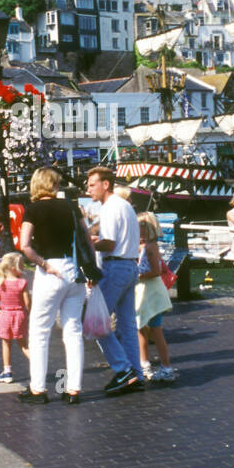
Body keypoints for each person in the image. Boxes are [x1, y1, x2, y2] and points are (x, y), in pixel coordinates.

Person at [19, 166, 90, 404]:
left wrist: (42, 263)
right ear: (55, 184)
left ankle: (38, 389)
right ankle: (73, 390)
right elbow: (87, 240)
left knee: (40, 332)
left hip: (50, 271)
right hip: (74, 271)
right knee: (73, 331)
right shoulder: (71, 206)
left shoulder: (34, 209)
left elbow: (25, 245)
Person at [85, 165, 143, 395]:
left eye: (92, 185)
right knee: (128, 325)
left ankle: (122, 369)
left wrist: (88, 242)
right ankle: (135, 374)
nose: (89, 190)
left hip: (114, 267)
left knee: (96, 323)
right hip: (130, 265)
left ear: (105, 184)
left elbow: (108, 244)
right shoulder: (126, 206)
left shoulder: (109, 208)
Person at [135, 212, 176, 383]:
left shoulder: (151, 247)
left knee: (155, 330)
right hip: (142, 291)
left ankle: (166, 367)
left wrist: (137, 275)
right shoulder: (139, 245)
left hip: (150, 291)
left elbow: (156, 271)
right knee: (141, 328)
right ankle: (144, 363)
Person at [0, 252, 31, 384]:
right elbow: (27, 302)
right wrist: (30, 313)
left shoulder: (0, 282)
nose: (24, 268)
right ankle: (37, 364)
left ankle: (7, 372)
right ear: (14, 269)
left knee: (6, 344)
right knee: (24, 345)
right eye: (21, 265)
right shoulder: (22, 283)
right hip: (20, 314)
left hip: (5, 315)